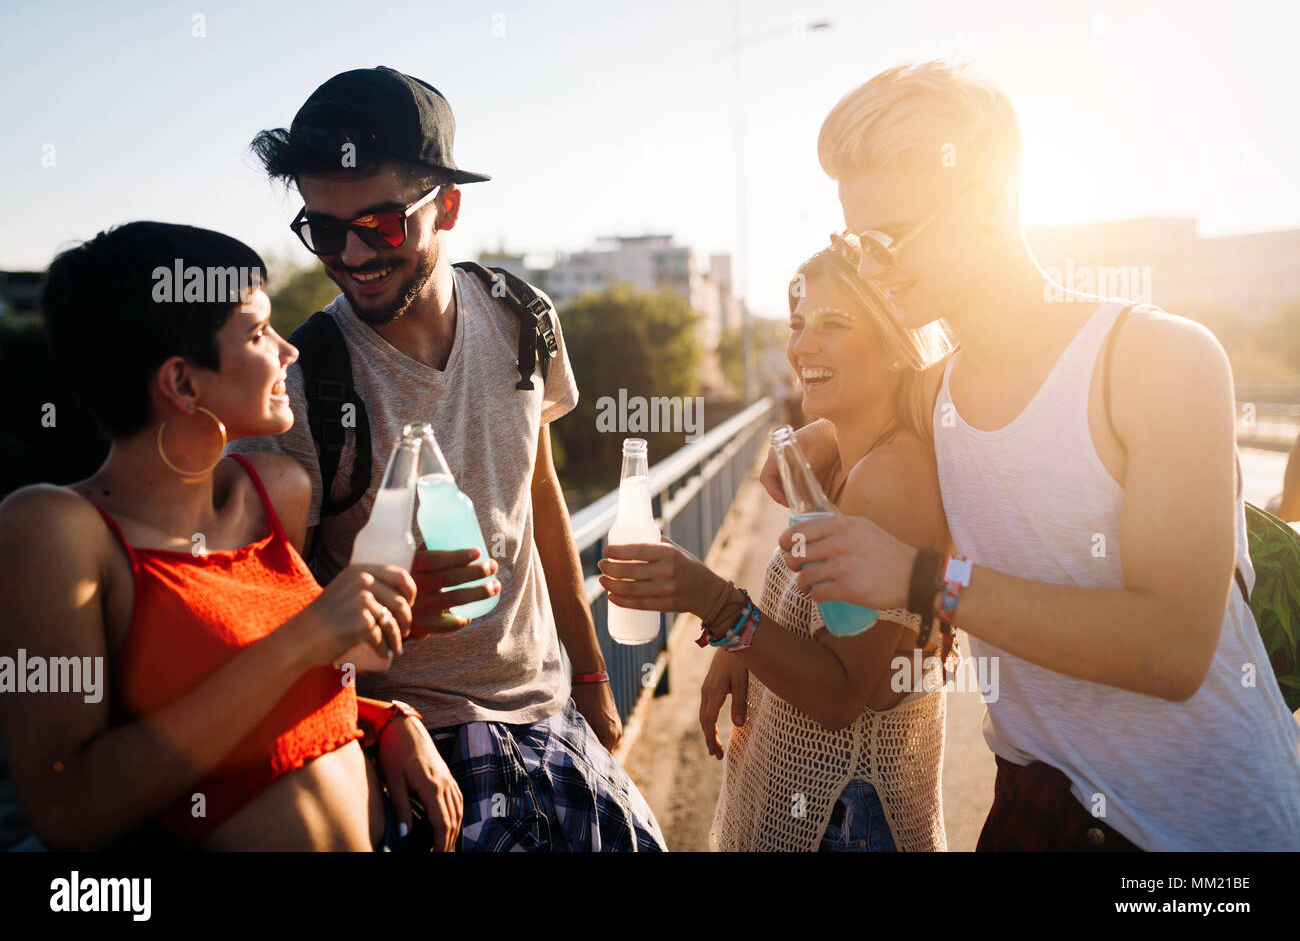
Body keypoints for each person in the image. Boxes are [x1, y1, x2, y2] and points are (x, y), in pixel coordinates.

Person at [766, 60, 1300, 850]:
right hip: (1034, 807)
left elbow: (1173, 650)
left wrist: (921, 579)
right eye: (851, 240)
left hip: (1201, 835)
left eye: (887, 237)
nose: (868, 265)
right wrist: (745, 642)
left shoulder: (1158, 359)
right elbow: (794, 460)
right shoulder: (931, 391)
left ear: (987, 206)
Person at [228, 67, 665, 851]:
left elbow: (538, 491)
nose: (352, 254)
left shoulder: (522, 317)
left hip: (549, 714)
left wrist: (593, 675)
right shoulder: (303, 384)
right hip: (414, 749)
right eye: (323, 231)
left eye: (381, 225)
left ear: (449, 207)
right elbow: (264, 617)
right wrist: (380, 715)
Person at [0, 222, 464, 851]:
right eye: (256, 332)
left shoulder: (276, 488)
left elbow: (258, 683)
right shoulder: (53, 529)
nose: (287, 350)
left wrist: (382, 715)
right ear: (184, 383)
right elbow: (68, 808)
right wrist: (308, 634)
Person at [598, 245, 953, 850]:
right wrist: (748, 646)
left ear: (896, 340)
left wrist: (717, 606)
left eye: (833, 324)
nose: (801, 347)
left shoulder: (892, 479)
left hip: (846, 822)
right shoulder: (848, 454)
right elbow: (817, 614)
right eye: (797, 324)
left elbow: (841, 695)